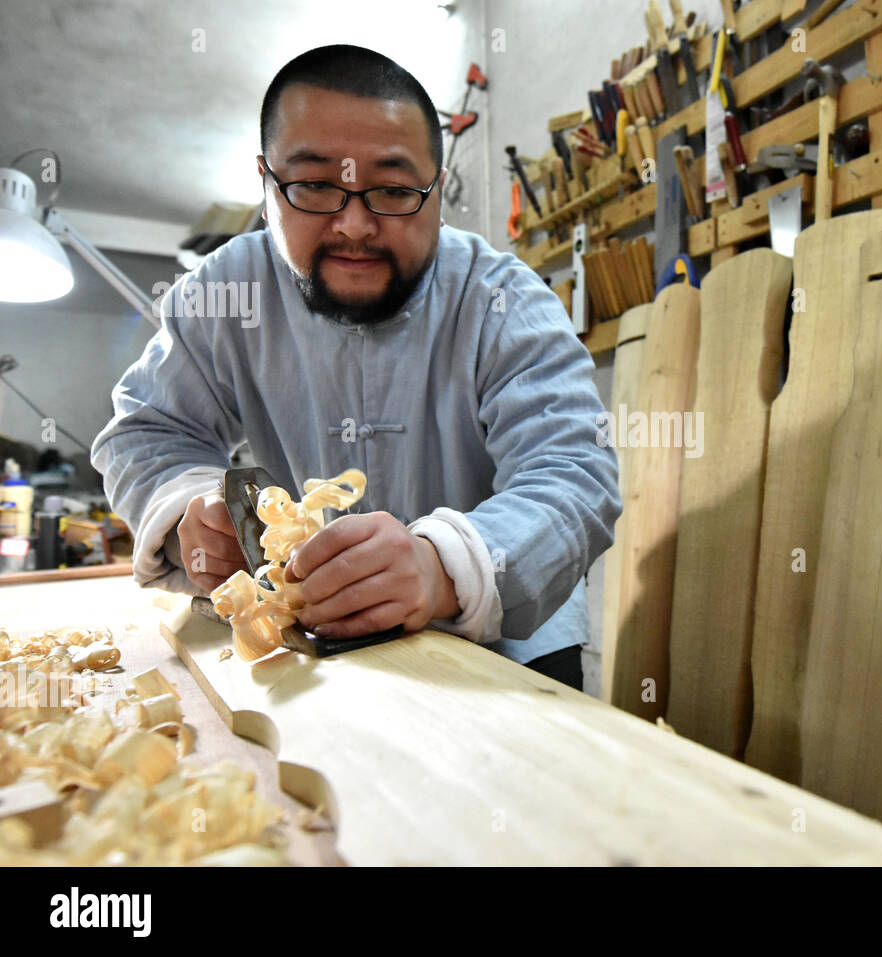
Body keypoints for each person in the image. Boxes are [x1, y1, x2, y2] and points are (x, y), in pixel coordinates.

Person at [90, 45, 620, 691]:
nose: (355, 225)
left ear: (438, 184)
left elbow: (574, 473)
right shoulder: (225, 289)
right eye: (314, 185)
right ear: (265, 180)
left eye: (395, 189)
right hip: (307, 651)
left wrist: (442, 567)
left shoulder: (504, 298)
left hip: (508, 652)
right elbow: (148, 432)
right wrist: (185, 519)